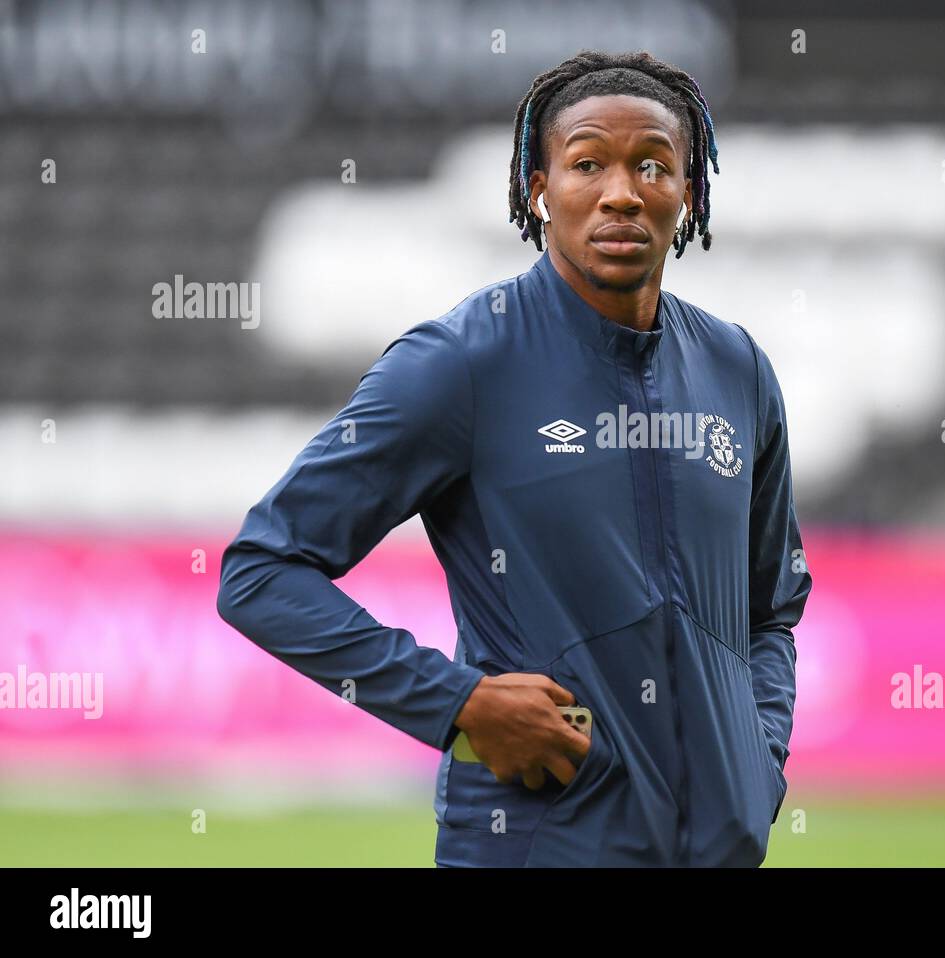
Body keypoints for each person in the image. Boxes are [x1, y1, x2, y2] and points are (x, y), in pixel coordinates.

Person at [216, 49, 812, 867]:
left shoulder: (737, 369)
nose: (621, 192)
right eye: (587, 163)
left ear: (689, 191)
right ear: (538, 188)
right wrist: (457, 703)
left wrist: (758, 760)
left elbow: (770, 607)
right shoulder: (461, 362)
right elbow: (261, 572)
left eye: (652, 166)